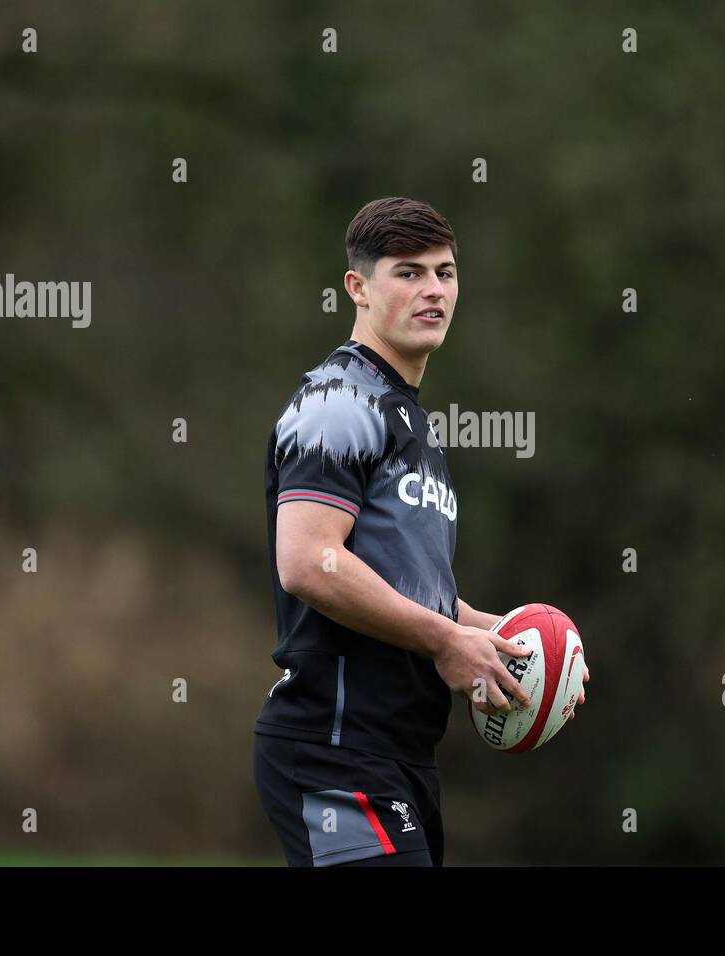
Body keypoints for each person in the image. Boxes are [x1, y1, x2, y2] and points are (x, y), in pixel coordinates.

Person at [252, 196, 587, 866]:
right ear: (358, 287)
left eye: (445, 272)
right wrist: (443, 640)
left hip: (398, 753)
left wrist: (495, 638)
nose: (433, 290)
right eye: (408, 273)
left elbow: (411, 584)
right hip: (332, 747)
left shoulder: (410, 423)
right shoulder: (338, 404)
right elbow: (309, 561)